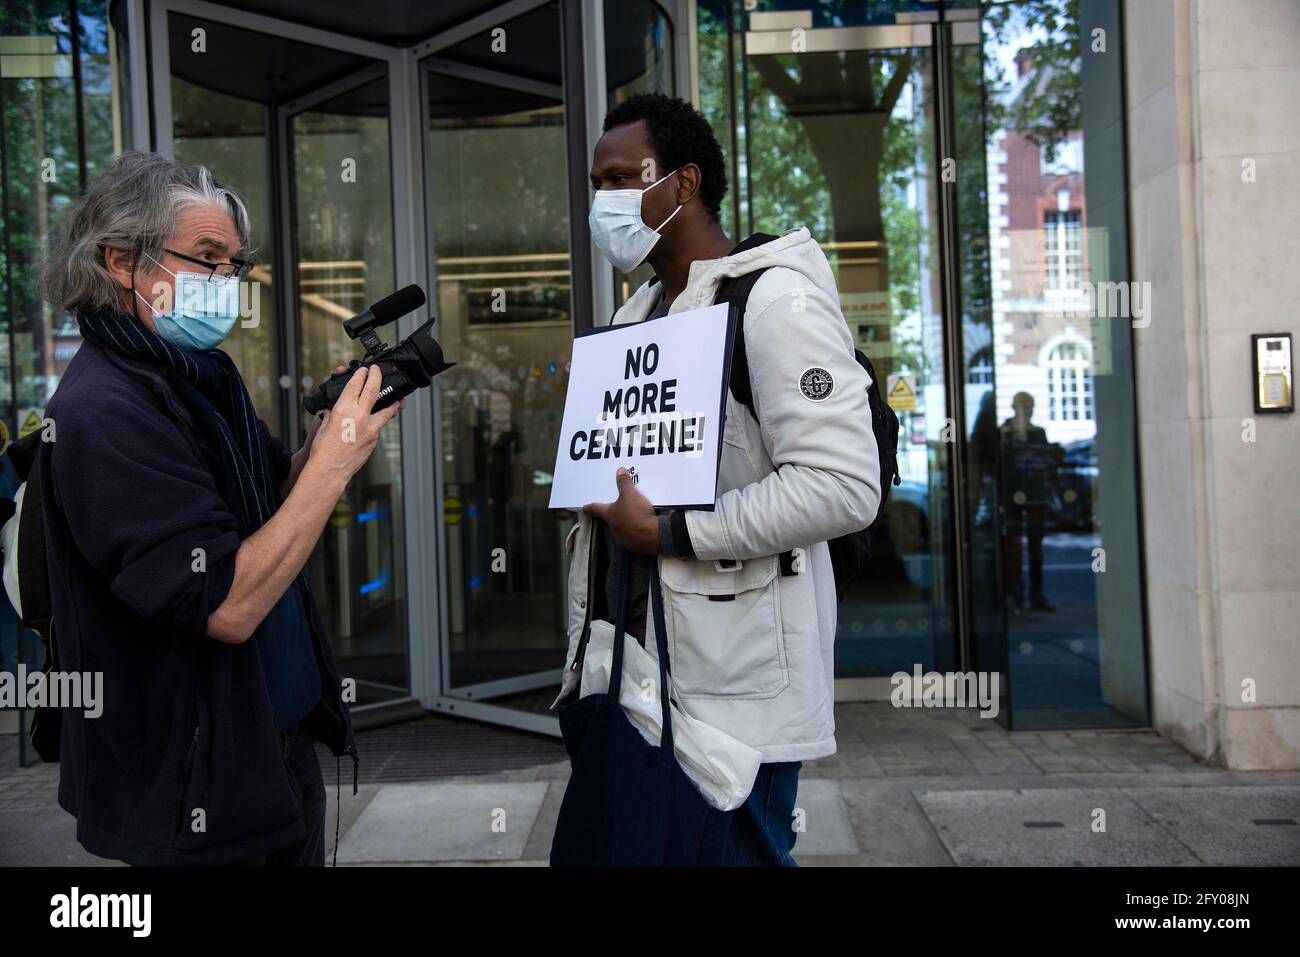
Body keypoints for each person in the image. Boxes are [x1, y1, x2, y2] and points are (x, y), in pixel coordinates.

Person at [38, 151, 403, 866]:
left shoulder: (200, 375)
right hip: (193, 785)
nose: (228, 285)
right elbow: (226, 604)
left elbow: (275, 491)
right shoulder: (103, 411)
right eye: (207, 258)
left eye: (235, 265)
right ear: (120, 260)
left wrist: (328, 435)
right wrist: (331, 467)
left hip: (274, 744)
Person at [557, 94, 881, 866]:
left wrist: (671, 530)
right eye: (594, 183)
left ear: (684, 182)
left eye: (620, 178)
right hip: (633, 678)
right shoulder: (634, 321)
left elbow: (842, 485)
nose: (603, 202)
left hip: (730, 701)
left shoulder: (774, 302)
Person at [999, 391, 1060, 613]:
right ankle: (1015, 593)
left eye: (1030, 406)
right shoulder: (1005, 433)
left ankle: (1035, 595)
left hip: (1034, 497)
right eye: (1023, 406)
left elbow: (1045, 464)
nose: (1027, 411)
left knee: (1035, 548)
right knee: (1012, 547)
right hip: (1012, 496)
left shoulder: (1037, 433)